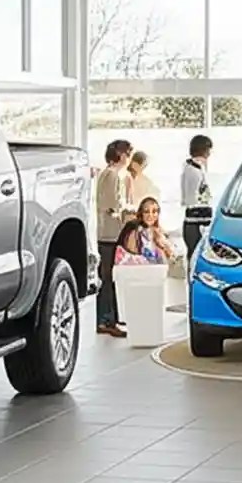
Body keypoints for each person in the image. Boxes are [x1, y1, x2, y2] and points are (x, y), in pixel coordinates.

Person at [96, 139, 133, 337]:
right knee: (109, 277)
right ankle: (107, 319)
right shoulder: (113, 175)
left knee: (108, 277)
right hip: (111, 233)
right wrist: (130, 212)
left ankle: (109, 317)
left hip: (107, 232)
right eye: (127, 153)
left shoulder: (106, 173)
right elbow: (113, 205)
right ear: (121, 154)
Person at [115, 197, 177, 266]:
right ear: (141, 213)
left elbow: (171, 257)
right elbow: (133, 260)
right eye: (146, 212)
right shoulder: (135, 230)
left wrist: (165, 249)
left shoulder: (158, 231)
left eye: (154, 211)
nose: (150, 215)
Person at [180, 134, 213, 260]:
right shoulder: (193, 170)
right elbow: (192, 198)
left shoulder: (195, 169)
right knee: (195, 255)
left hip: (199, 219)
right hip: (196, 220)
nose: (209, 154)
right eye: (208, 150)